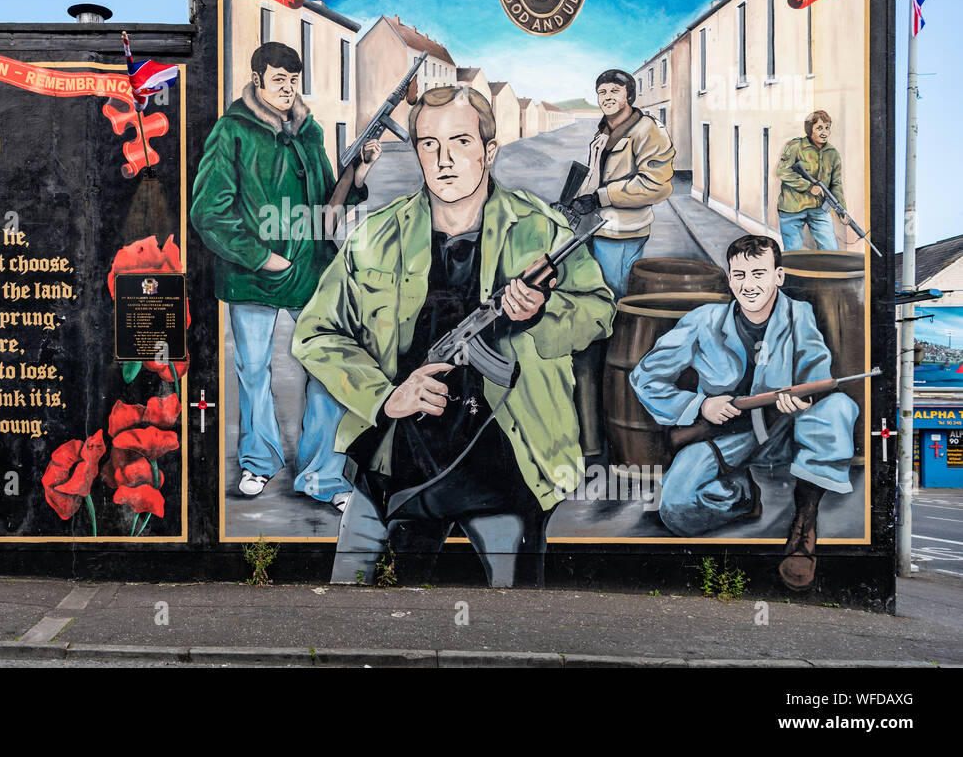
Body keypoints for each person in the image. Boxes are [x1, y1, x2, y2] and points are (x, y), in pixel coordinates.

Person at [292, 84, 615, 587]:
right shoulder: (377, 236)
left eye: (461, 142)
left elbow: (598, 312)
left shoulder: (540, 228)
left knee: (517, 617)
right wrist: (384, 397)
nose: (444, 160)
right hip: (395, 457)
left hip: (507, 456)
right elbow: (315, 332)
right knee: (346, 603)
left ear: (489, 151)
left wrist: (542, 311)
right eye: (428, 144)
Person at [190, 42, 380, 512]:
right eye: (278, 80)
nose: (287, 88)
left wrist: (356, 178)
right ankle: (259, 461)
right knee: (253, 371)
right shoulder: (231, 132)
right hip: (252, 274)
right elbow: (208, 212)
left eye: (293, 80)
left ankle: (320, 475)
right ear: (257, 81)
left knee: (328, 365)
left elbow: (326, 205)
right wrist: (260, 256)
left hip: (310, 269)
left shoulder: (308, 130)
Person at [629, 235, 858, 591]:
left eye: (758, 274)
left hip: (785, 430)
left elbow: (817, 374)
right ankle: (744, 497)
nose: (748, 286)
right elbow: (645, 376)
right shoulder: (704, 321)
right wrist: (699, 405)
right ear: (729, 277)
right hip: (729, 435)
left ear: (778, 276)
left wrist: (801, 400)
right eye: (739, 275)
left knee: (839, 407)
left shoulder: (800, 315)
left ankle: (804, 522)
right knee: (676, 510)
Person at [567, 69, 675, 298]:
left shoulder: (649, 129)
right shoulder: (602, 132)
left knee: (614, 296)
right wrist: (573, 201)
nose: (607, 97)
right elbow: (595, 178)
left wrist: (600, 197)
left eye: (615, 91)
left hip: (623, 232)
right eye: (602, 92)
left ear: (630, 95)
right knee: (595, 294)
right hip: (594, 229)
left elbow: (656, 184)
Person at [776, 110, 847, 252]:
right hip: (792, 208)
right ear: (810, 130)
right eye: (819, 128)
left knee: (831, 250)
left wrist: (842, 210)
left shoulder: (833, 154)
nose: (824, 132)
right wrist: (808, 187)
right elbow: (782, 171)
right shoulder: (795, 146)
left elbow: (836, 184)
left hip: (819, 209)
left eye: (827, 128)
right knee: (793, 252)